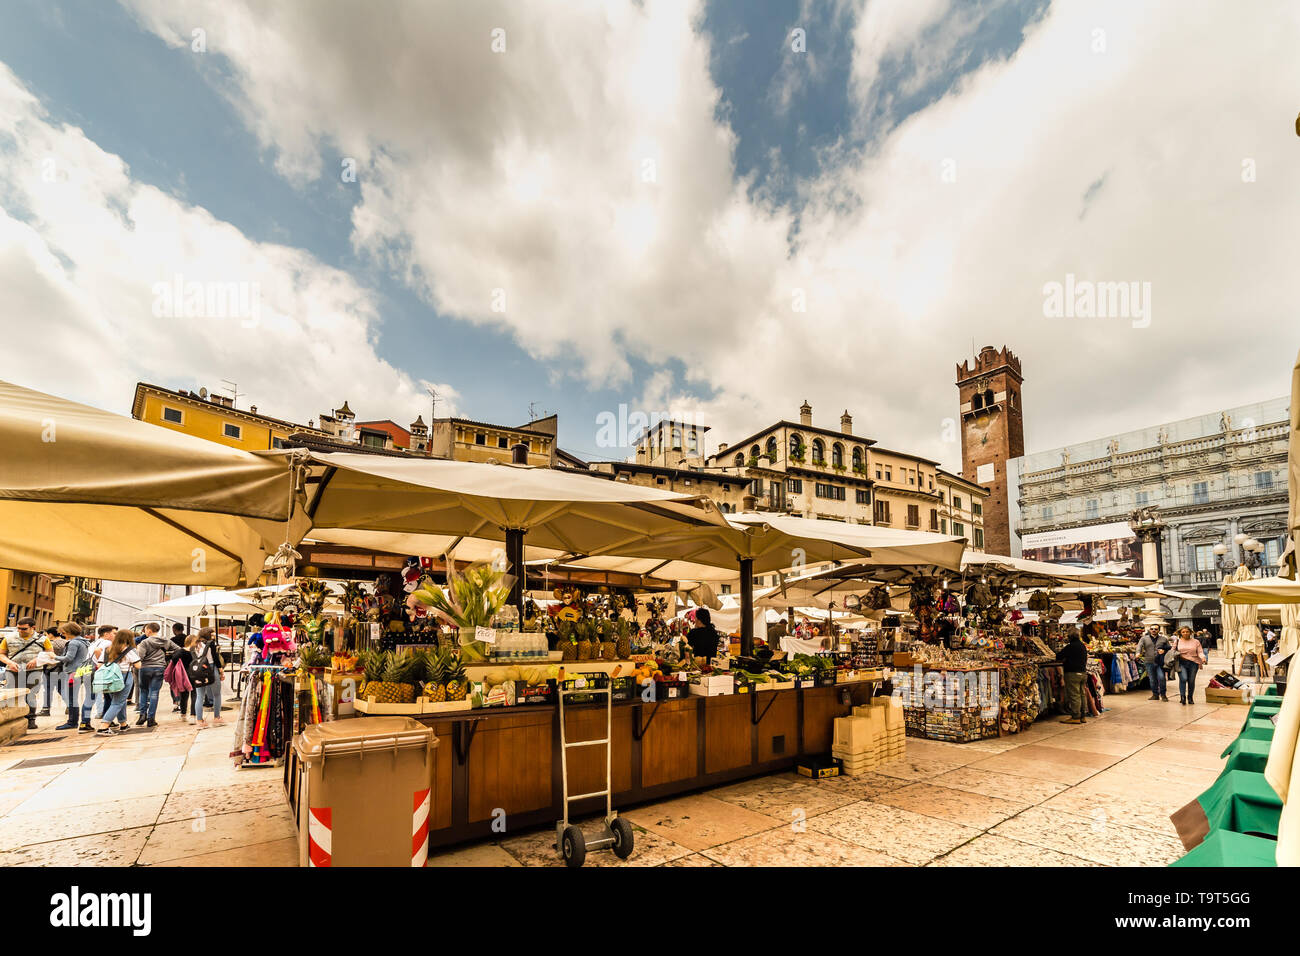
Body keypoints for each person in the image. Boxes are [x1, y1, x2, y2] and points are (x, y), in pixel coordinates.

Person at [1, 617, 52, 730]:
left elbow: (50, 654)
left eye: (23, 629)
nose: (20, 631)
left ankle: (30, 719)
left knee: (31, 695)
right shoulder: (8, 638)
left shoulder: (43, 640)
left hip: (34, 671)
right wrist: (9, 662)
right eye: (18, 628)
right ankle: (13, 719)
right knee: (12, 695)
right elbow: (2, 654)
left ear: (32, 628)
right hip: (13, 671)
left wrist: (36, 660)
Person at [52, 622, 94, 732]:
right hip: (82, 670)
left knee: (71, 698)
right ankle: (78, 721)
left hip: (72, 672)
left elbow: (69, 658)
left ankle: (72, 722)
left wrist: (54, 657)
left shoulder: (73, 643)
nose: (62, 634)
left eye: (64, 632)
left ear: (69, 632)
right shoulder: (84, 642)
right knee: (74, 697)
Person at [93, 631, 136, 736]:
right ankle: (104, 726)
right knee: (117, 703)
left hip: (109, 678)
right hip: (124, 677)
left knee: (119, 701)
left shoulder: (108, 649)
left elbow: (99, 665)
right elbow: (138, 665)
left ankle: (123, 723)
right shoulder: (129, 650)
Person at [134, 623, 172, 727]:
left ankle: (142, 715)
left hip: (145, 668)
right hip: (159, 667)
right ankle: (151, 718)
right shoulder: (165, 641)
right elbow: (177, 649)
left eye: (145, 630)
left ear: (149, 631)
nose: (144, 632)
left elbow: (140, 656)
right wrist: (166, 656)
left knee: (143, 691)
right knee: (154, 693)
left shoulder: (144, 642)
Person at [188, 628, 226, 728]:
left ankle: (199, 721)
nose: (213, 635)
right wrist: (220, 670)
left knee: (200, 696)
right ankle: (217, 718)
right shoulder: (210, 643)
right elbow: (215, 658)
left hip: (198, 671)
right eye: (211, 633)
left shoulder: (194, 645)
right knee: (217, 694)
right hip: (211, 668)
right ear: (207, 634)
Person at [1056, 627, 1090, 724]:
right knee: (1082, 694)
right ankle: (1083, 716)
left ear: (1070, 636)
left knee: (1074, 695)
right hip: (1083, 673)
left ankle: (1075, 716)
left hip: (1072, 673)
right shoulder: (1082, 646)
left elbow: (1059, 656)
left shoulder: (1071, 646)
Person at [1136, 623, 1171, 702]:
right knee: (1152, 679)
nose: (1153, 630)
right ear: (1149, 630)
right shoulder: (1144, 638)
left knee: (1161, 678)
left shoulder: (1164, 639)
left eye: (1155, 629)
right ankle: (1155, 695)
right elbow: (1139, 646)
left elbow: (1169, 648)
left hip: (1160, 662)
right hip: (1149, 661)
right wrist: (1138, 653)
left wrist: (1164, 650)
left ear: (1158, 630)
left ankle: (1163, 694)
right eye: (1152, 629)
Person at [1174, 625, 1207, 704]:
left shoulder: (1196, 641)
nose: (1185, 633)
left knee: (1191, 681)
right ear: (1180, 633)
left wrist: (1203, 658)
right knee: (1183, 678)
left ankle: (1190, 697)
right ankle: (1182, 697)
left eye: (1187, 632)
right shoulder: (1177, 641)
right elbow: (1172, 651)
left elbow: (1200, 651)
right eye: (1183, 632)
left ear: (1190, 632)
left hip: (1193, 663)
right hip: (1181, 662)